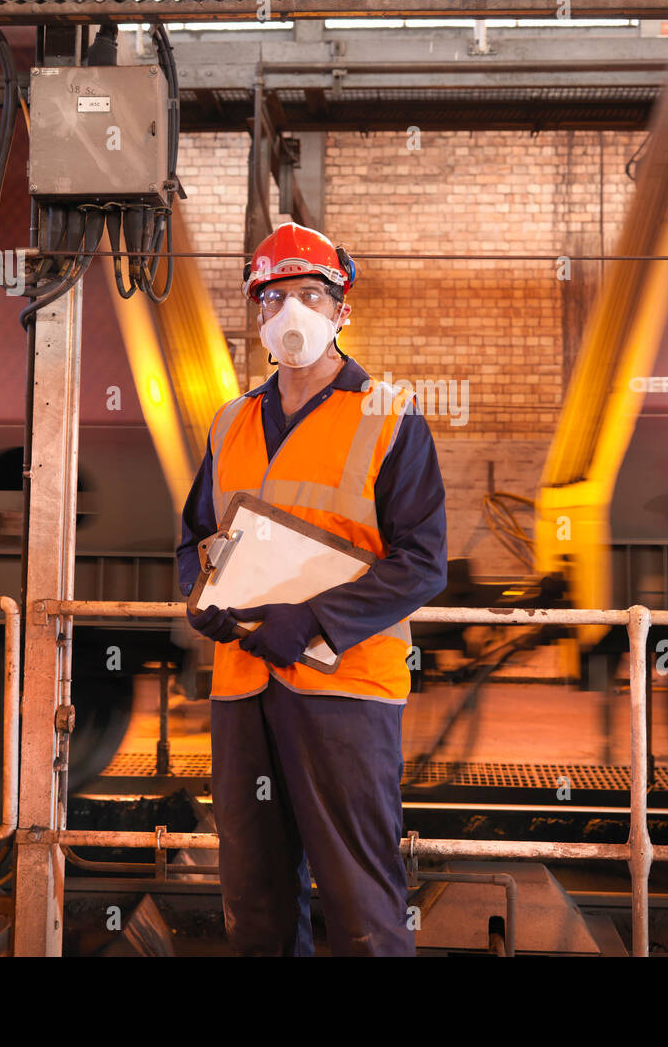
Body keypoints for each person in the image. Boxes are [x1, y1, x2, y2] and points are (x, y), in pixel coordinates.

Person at [175, 222, 448, 957]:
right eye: (275, 297)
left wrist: (314, 620)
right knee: (254, 896)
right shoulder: (231, 421)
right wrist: (201, 600)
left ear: (341, 310)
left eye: (310, 294)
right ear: (257, 314)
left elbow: (422, 561)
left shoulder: (390, 416)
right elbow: (195, 538)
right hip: (242, 685)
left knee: (359, 898)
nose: (291, 310)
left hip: (347, 686)